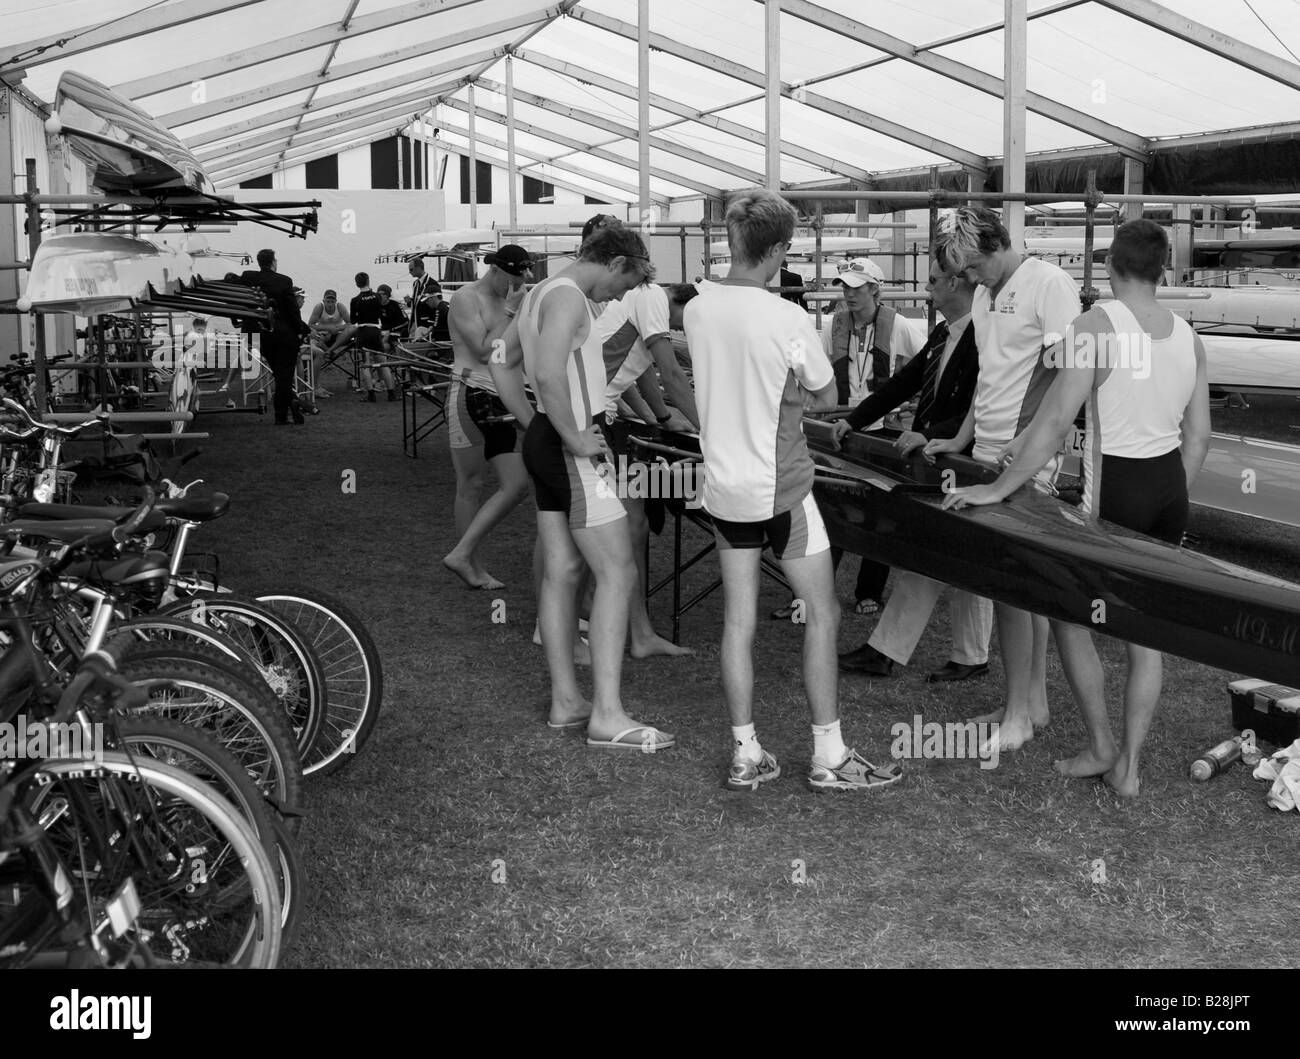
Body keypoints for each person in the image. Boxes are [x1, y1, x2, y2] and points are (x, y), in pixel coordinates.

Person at [943, 219, 1211, 796]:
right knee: (1147, 636)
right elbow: (1199, 438)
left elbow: (1054, 424)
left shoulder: (1095, 325)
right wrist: (1178, 494)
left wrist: (996, 488)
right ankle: (1131, 768)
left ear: (1111, 266)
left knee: (1070, 616)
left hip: (1116, 487)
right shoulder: (1189, 335)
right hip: (1168, 489)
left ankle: (1101, 745)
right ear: (1164, 270)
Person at [685, 188, 901, 792]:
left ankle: (745, 751)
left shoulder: (697, 309)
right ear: (779, 249)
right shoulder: (787, 317)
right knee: (823, 614)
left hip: (725, 488)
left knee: (739, 621)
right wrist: (786, 390)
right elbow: (827, 394)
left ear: (732, 240)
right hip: (781, 487)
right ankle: (828, 754)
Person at [922, 206, 1082, 752]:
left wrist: (1030, 441)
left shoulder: (1049, 283)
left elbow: (1066, 376)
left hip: (1025, 454)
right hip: (988, 449)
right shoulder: (989, 291)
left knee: (1012, 587)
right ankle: (1028, 704)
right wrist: (961, 435)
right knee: (1019, 586)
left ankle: (1018, 714)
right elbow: (992, 376)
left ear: (996, 245)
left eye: (971, 267)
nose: (967, 280)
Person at [518, 225, 675, 749]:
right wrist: (576, 437)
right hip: (567, 441)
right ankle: (607, 716)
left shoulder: (542, 290)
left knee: (563, 570)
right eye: (625, 284)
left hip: (548, 438)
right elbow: (546, 374)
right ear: (615, 263)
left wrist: (554, 431)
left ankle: (567, 701)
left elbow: (517, 366)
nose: (620, 297)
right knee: (617, 570)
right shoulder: (566, 296)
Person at [835, 254, 993, 682]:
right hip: (948, 459)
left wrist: (932, 433)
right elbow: (904, 384)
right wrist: (854, 419)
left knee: (938, 555)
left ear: (958, 284)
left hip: (966, 461)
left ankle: (890, 651)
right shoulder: (946, 332)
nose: (928, 289)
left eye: (934, 281)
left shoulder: (984, 336)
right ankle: (964, 655)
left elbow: (982, 404)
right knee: (957, 558)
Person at [441, 244, 535, 591]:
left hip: (503, 397)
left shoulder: (515, 297)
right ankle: (471, 565)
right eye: (513, 276)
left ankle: (463, 554)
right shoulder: (467, 298)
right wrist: (511, 312)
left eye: (523, 276)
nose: (518, 283)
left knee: (517, 485)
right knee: (470, 484)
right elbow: (483, 350)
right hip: (470, 394)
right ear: (494, 269)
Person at [237, 249, 305, 425]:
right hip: (283, 335)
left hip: (261, 336)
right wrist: (302, 329)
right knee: (285, 376)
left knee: (280, 374)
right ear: (273, 262)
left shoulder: (249, 277)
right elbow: (292, 310)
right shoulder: (284, 281)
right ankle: (281, 415)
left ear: (259, 262)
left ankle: (293, 406)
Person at [349, 272, 396, 402]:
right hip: (375, 330)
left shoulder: (355, 300)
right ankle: (391, 393)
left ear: (356, 283)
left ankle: (371, 394)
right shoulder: (376, 296)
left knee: (366, 364)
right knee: (383, 363)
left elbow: (353, 320)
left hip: (363, 331)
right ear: (368, 280)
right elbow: (381, 314)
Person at [306, 288, 348, 397]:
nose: (330, 304)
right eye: (328, 301)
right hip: (323, 335)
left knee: (352, 329)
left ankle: (328, 350)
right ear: (323, 300)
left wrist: (337, 328)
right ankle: (314, 385)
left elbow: (351, 323)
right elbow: (310, 324)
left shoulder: (340, 307)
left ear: (335, 301)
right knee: (316, 344)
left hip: (337, 335)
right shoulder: (319, 307)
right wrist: (329, 328)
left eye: (332, 301)